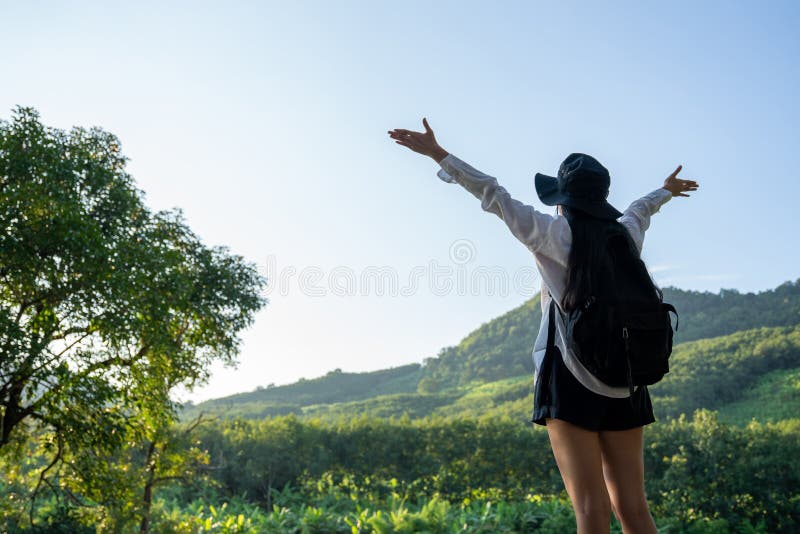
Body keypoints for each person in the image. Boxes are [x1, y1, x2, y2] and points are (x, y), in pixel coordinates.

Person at [387, 118, 699, 534]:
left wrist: (438, 154)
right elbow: (640, 209)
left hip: (570, 381)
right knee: (634, 509)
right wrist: (666, 191)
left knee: (590, 510)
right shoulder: (625, 234)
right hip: (628, 378)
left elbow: (492, 193)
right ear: (602, 197)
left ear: (563, 200)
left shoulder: (553, 232)